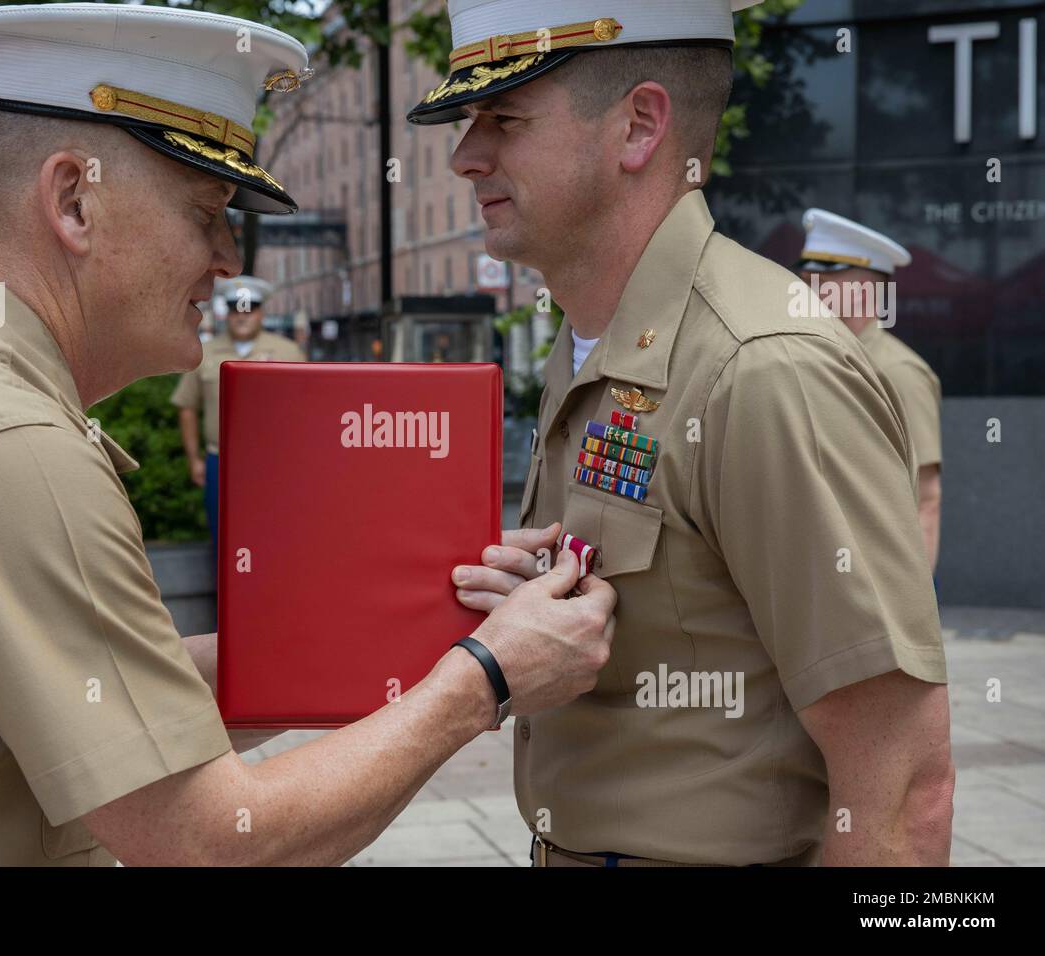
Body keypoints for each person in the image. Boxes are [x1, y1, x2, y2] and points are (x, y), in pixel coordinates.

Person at [0, 3, 616, 866]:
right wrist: (485, 680)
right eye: (206, 209)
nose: (230, 259)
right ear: (74, 201)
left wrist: (421, 631)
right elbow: (208, 842)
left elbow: (120, 703)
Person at [423, 0, 955, 866]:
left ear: (639, 127)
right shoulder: (593, 335)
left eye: (506, 118)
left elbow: (901, 792)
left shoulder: (764, 365)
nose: (463, 155)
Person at [796, 208, 943, 571]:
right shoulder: (820, 358)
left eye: (824, 278)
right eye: (806, 277)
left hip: (881, 579)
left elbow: (927, 499)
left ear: (864, 288)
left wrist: (910, 613)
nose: (807, 287)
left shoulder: (898, 371)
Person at [172, 276, 304, 576]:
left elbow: (309, 411)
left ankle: (276, 612)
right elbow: (186, 405)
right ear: (227, 313)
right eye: (236, 309)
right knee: (226, 544)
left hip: (278, 466)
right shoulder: (203, 353)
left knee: (280, 541)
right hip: (222, 463)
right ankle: (231, 616)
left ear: (262, 313)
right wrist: (194, 459)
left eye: (250, 309)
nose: (242, 316)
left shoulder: (288, 353)